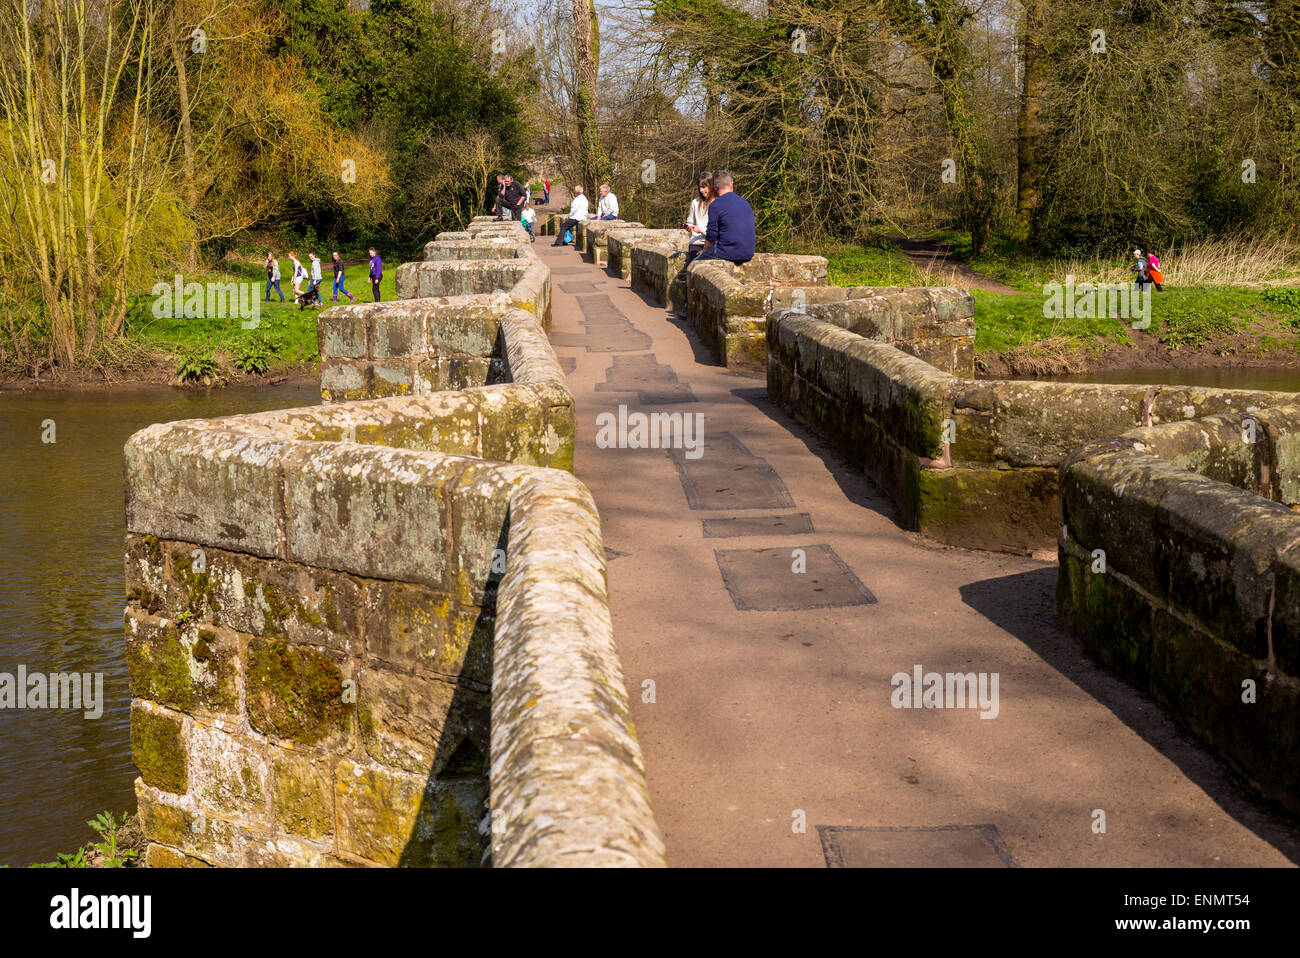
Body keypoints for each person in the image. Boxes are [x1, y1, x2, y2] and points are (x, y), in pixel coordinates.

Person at [693, 171, 755, 265]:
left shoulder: (715, 205)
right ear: (731, 185)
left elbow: (711, 237)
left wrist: (704, 252)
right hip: (748, 253)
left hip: (727, 253)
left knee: (694, 265)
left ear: (714, 188)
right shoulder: (745, 202)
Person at [683, 173, 713, 265]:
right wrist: (689, 227)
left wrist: (702, 231)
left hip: (712, 243)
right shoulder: (695, 203)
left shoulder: (717, 203)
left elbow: (717, 231)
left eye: (704, 187)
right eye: (700, 187)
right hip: (696, 243)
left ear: (710, 186)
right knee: (695, 265)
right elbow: (690, 221)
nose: (701, 190)